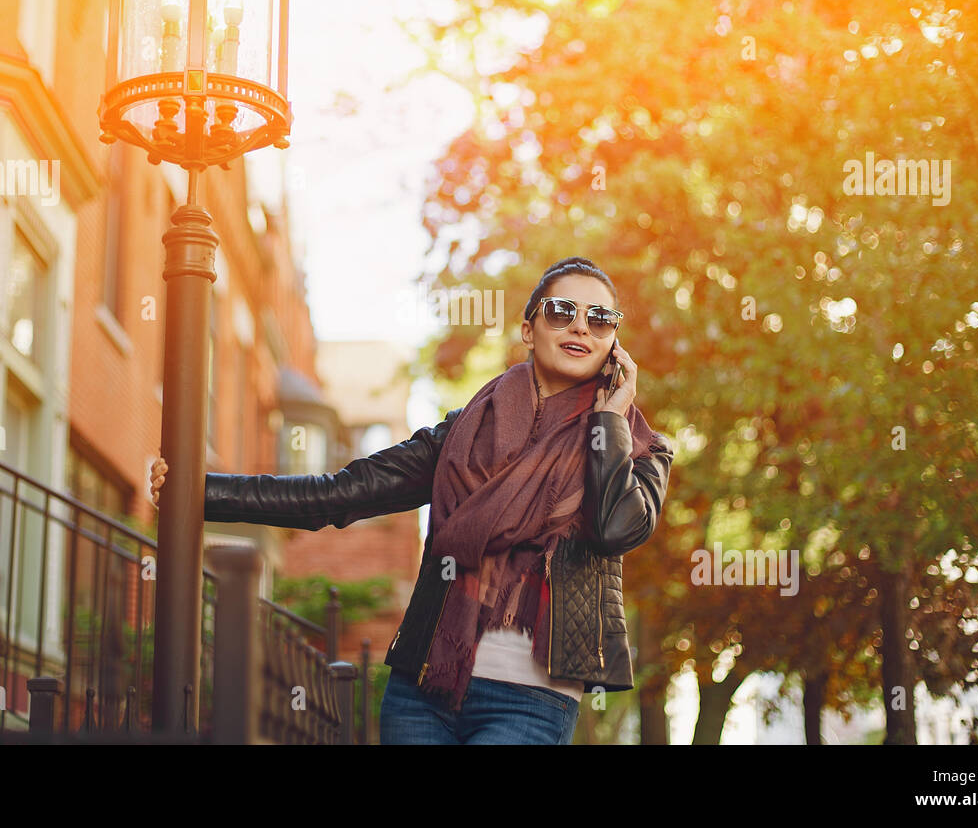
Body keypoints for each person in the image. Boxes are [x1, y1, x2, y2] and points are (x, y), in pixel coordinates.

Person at [150, 257, 673, 744]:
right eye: (562, 311)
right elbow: (339, 494)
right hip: (422, 692)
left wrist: (610, 419)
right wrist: (200, 491)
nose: (581, 326)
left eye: (600, 318)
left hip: (531, 704)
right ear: (528, 330)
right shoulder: (462, 435)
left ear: (614, 343)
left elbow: (615, 528)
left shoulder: (640, 450)